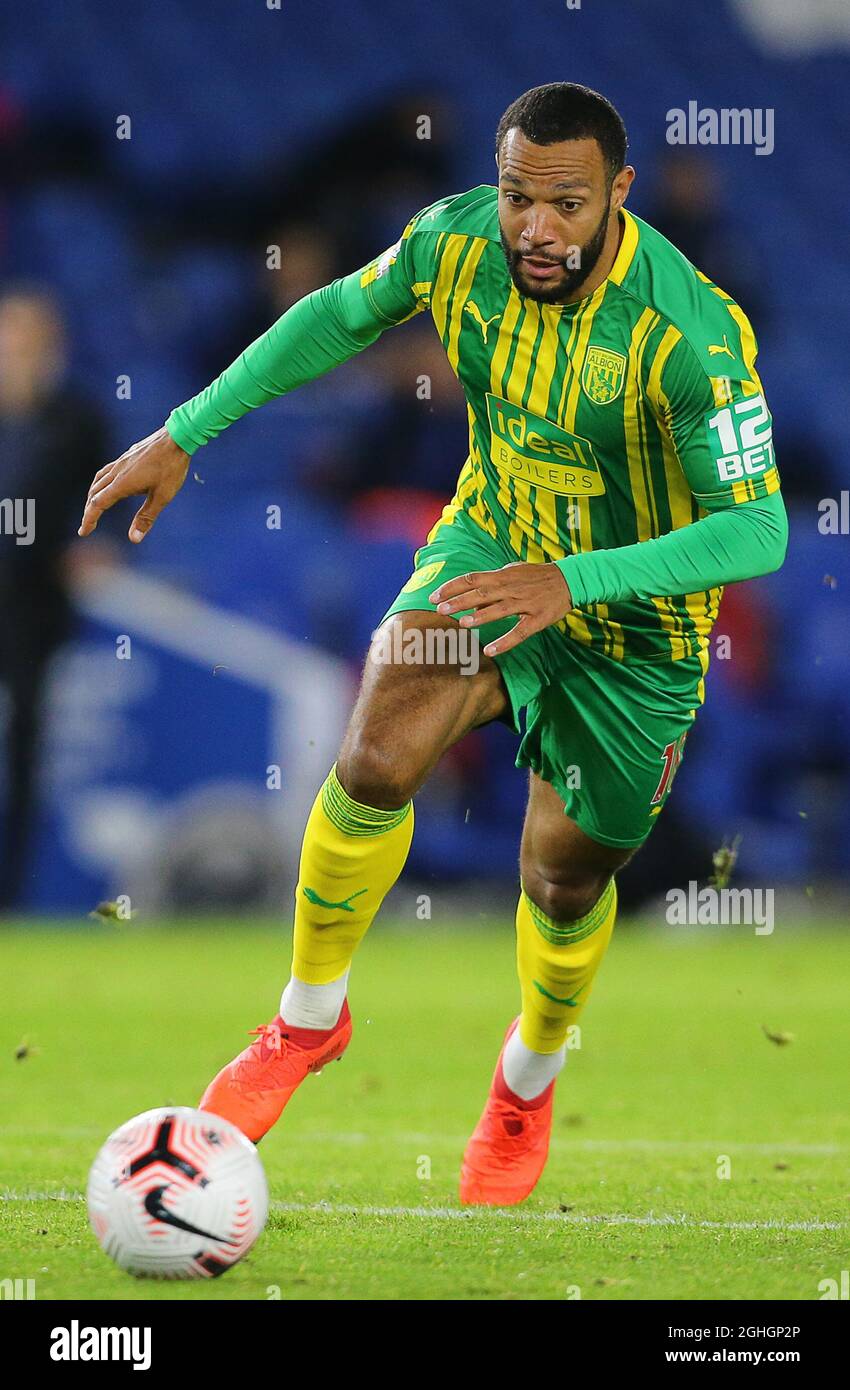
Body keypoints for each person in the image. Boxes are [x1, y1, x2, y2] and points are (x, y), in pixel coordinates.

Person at [78, 84, 787, 1206]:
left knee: (561, 877)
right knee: (373, 757)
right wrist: (184, 428)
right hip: (494, 548)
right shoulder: (454, 241)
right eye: (517, 197)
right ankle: (308, 1020)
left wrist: (578, 581)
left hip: (634, 624)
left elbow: (758, 528)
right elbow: (336, 317)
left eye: (564, 203)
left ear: (618, 195)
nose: (534, 229)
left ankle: (525, 1078)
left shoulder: (690, 333)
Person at [0, 290, 110, 908]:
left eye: (26, 339)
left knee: (25, 752)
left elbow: (109, 492)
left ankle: (11, 896)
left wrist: (98, 545)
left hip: (32, 608)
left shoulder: (76, 417)